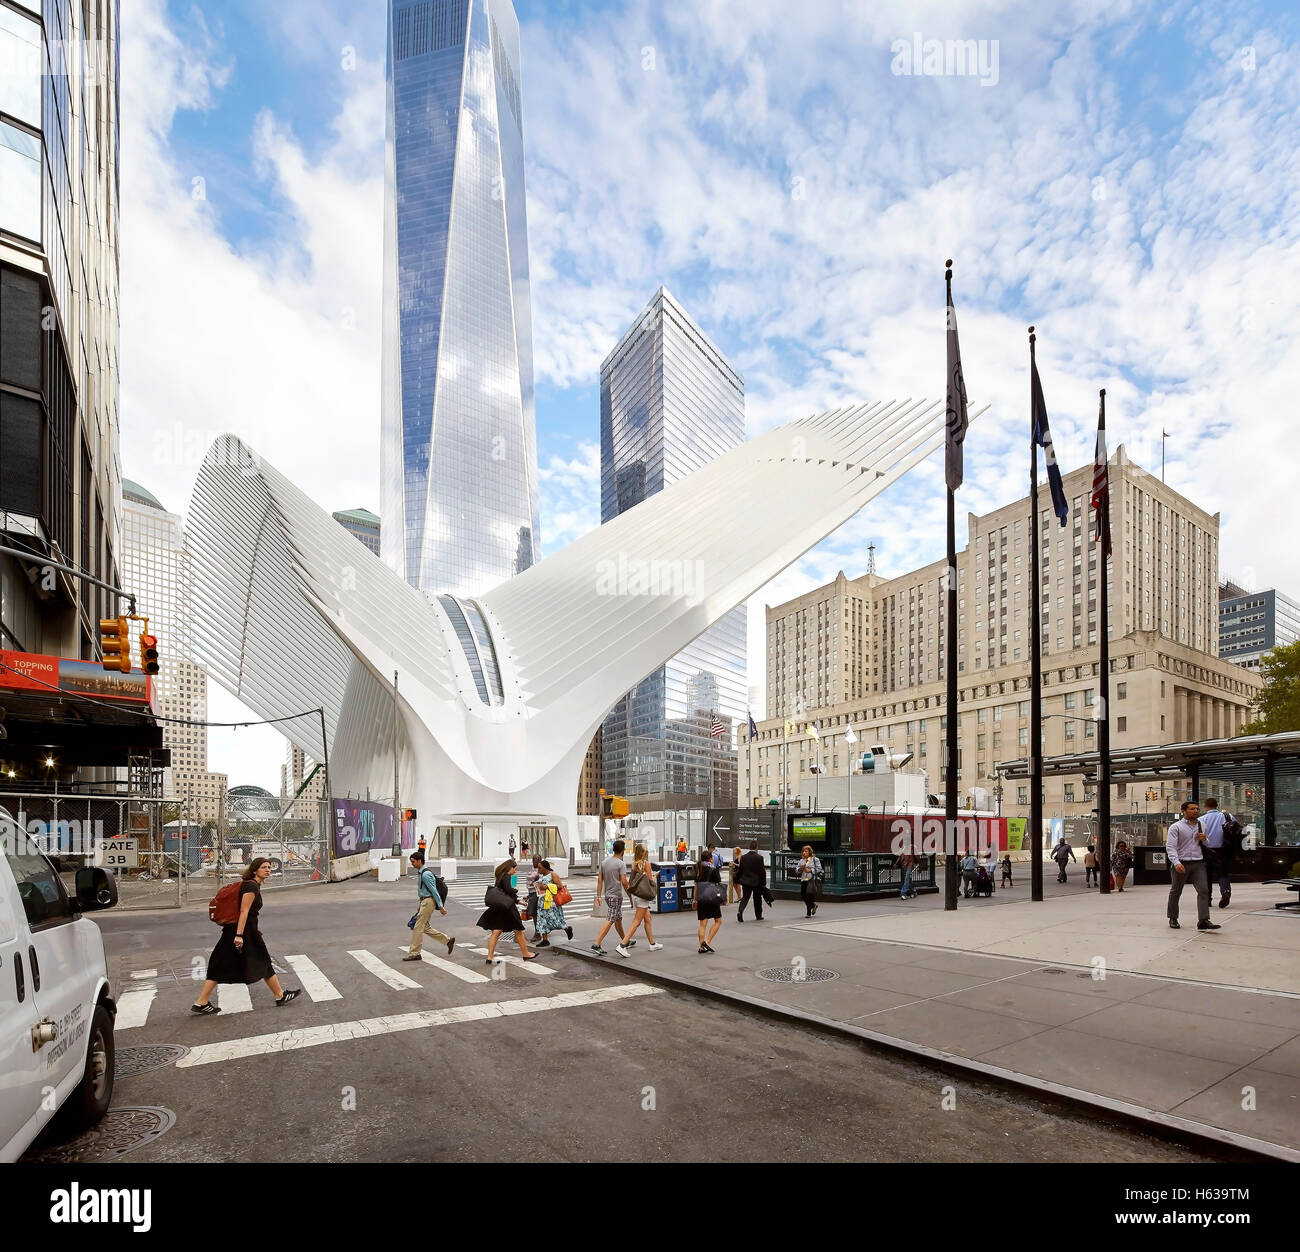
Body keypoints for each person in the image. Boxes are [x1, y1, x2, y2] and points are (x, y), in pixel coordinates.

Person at [192, 858, 301, 1013]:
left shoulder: (252, 885)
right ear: (255, 870)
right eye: (264, 867)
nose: (268, 870)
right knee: (224, 962)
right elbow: (244, 911)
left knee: (251, 961)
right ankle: (201, 1002)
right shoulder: (251, 886)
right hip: (242, 931)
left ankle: (280, 994)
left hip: (245, 930)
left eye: (269, 867)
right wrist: (239, 935)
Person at [1166, 800, 1219, 931]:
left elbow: (1207, 845)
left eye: (1197, 809)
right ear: (1184, 811)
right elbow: (1171, 847)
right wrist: (1176, 862)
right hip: (1181, 863)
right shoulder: (1176, 827)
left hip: (1198, 863)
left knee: (1204, 891)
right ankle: (1173, 917)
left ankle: (1204, 920)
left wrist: (1205, 839)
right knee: (1176, 891)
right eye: (1192, 809)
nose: (1196, 811)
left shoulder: (1203, 825)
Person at [476, 858, 537, 962]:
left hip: (500, 908)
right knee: (518, 931)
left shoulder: (500, 877)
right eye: (515, 869)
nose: (515, 871)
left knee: (496, 932)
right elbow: (509, 891)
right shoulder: (507, 877)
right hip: (508, 909)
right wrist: (515, 890)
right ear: (510, 868)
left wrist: (518, 901)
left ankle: (489, 957)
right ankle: (526, 954)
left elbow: (504, 894)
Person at [403, 850, 456, 961]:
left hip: (428, 902)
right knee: (425, 927)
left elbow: (434, 891)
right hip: (425, 902)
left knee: (418, 927)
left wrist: (441, 906)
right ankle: (447, 941)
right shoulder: (422, 873)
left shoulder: (426, 875)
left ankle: (415, 953)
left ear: (419, 861)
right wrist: (420, 904)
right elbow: (423, 891)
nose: (412, 864)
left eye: (413, 862)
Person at [592, 839, 635, 957]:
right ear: (622, 851)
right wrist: (630, 894)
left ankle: (625, 940)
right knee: (611, 919)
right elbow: (625, 882)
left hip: (607, 895)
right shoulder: (621, 864)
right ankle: (596, 943)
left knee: (618, 919)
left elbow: (600, 880)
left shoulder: (604, 862)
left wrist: (598, 895)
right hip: (616, 896)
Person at [622, 845, 664, 951]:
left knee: (648, 918)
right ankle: (622, 945)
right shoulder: (647, 864)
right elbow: (650, 882)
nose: (648, 851)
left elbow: (631, 881)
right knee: (637, 921)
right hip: (643, 897)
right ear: (644, 853)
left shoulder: (635, 864)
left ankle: (652, 943)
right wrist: (656, 876)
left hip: (636, 895)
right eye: (646, 850)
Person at [1198, 797, 1236, 909]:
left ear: (1205, 806)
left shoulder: (1201, 819)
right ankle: (1225, 891)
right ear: (1217, 805)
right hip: (1223, 850)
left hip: (1206, 850)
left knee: (1206, 875)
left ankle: (1208, 899)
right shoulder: (1226, 816)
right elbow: (1236, 827)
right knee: (1223, 873)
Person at [533, 859, 575, 946]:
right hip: (542, 902)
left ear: (545, 868)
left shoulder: (553, 874)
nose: (538, 870)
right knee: (542, 921)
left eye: (540, 868)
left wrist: (547, 886)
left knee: (554, 919)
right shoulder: (540, 876)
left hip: (551, 901)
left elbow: (560, 886)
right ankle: (545, 940)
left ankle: (567, 928)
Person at [695, 849, 724, 953]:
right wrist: (723, 898)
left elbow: (696, 886)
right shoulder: (713, 869)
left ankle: (701, 947)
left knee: (703, 923)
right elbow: (719, 885)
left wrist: (695, 900)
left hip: (701, 898)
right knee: (718, 921)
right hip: (712, 898)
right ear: (710, 858)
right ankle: (707, 941)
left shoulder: (698, 868)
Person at [736, 841, 767, 922]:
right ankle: (758, 915)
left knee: (745, 898)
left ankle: (740, 911)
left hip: (746, 881)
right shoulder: (759, 857)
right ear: (756, 847)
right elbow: (762, 871)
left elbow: (741, 870)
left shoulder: (743, 857)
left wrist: (738, 879)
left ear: (749, 847)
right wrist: (764, 882)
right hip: (756, 882)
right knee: (757, 898)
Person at [792, 844, 824, 916]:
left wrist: (810, 870)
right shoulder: (801, 860)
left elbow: (819, 869)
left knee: (809, 895)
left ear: (809, 852)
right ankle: (813, 906)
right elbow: (796, 870)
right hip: (804, 879)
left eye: (806, 851)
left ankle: (808, 912)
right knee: (803, 895)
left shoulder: (815, 860)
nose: (804, 853)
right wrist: (801, 869)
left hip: (811, 880)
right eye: (803, 851)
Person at [524, 853, 543, 942]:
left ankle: (538, 933)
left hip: (538, 894)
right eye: (534, 859)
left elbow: (543, 881)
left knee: (536, 914)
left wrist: (537, 880)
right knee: (534, 914)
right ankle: (539, 932)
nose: (535, 861)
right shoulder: (533, 870)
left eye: (537, 859)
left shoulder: (541, 870)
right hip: (531, 893)